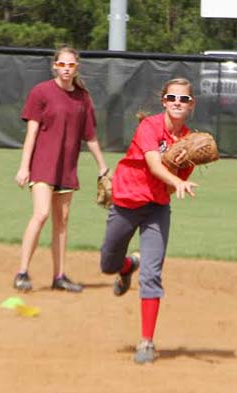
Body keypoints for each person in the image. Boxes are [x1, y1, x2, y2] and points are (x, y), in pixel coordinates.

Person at [99, 78, 199, 364]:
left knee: (152, 275)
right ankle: (127, 264)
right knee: (108, 264)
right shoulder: (149, 127)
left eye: (183, 99)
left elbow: (168, 188)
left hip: (156, 208)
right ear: (164, 101)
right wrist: (174, 177)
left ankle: (146, 342)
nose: (178, 103)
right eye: (172, 98)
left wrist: (180, 177)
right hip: (127, 201)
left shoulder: (191, 144)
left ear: (191, 105)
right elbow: (154, 165)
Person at [13, 46, 109, 293]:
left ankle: (59, 276)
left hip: (67, 166)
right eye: (62, 64)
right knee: (42, 213)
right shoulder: (41, 92)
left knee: (62, 221)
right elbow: (31, 133)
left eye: (71, 65)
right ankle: (22, 271)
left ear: (77, 67)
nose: (66, 69)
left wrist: (102, 166)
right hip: (43, 164)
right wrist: (24, 167)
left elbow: (91, 137)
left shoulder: (82, 98)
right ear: (54, 65)